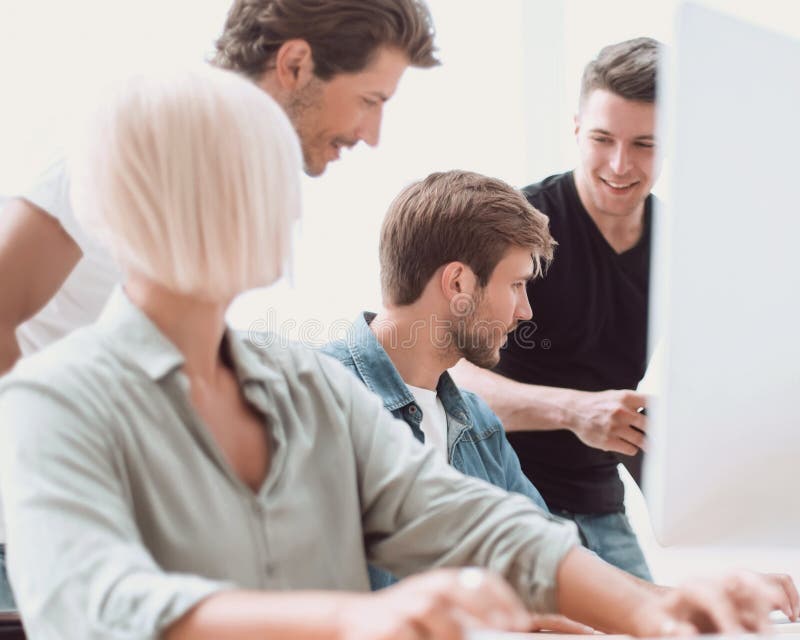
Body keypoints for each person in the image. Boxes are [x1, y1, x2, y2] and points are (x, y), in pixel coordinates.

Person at [0, 66, 792, 640]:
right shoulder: (52, 403)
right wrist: (355, 618)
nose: (290, 201)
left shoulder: (305, 387)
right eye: (263, 174)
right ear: (177, 198)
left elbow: (461, 519)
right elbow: (98, 602)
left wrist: (651, 607)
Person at [0, 0, 439, 375]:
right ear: (294, 64)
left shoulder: (234, 188)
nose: (372, 134)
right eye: (369, 101)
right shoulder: (137, 141)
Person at [451, 37, 660, 580]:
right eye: (602, 139)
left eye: (644, 144)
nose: (620, 164)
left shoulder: (680, 246)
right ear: (576, 129)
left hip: (602, 503)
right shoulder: (517, 225)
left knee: (673, 616)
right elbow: (451, 374)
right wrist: (573, 411)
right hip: (502, 499)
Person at [322, 169, 557, 588]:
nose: (525, 311)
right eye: (516, 285)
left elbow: (549, 563)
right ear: (458, 283)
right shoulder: (318, 400)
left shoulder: (478, 425)